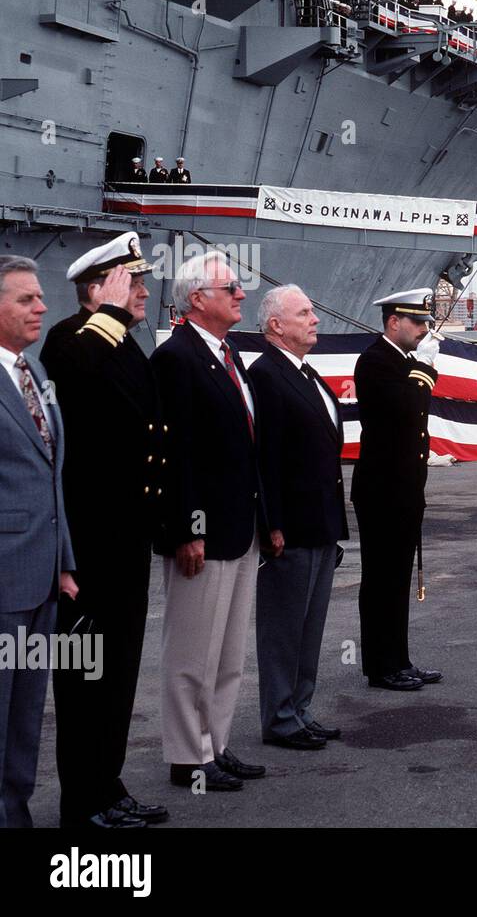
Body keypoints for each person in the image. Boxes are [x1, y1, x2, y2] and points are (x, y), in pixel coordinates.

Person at [39, 232, 168, 829]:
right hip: (89, 544)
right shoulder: (71, 340)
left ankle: (108, 786)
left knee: (118, 670)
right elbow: (73, 371)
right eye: (131, 281)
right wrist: (111, 313)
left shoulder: (124, 346)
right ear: (98, 288)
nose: (143, 291)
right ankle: (81, 805)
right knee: (86, 676)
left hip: (127, 540)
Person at [152, 250, 267, 791]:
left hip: (238, 527)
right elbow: (175, 454)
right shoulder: (176, 359)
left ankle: (215, 744)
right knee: (191, 650)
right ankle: (187, 755)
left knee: (227, 652)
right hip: (203, 530)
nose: (241, 294)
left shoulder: (227, 354)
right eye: (231, 289)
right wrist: (185, 529)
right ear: (198, 299)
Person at [248, 285, 348, 745]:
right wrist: (271, 523)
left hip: (320, 525)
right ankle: (280, 718)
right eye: (304, 313)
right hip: (290, 528)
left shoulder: (307, 376)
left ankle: (299, 710)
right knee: (283, 628)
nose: (315, 319)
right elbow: (265, 458)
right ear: (276, 326)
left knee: (310, 628)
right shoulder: (267, 376)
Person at [0, 255, 78, 827]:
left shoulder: (36, 374)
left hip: (42, 576)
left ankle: (16, 816)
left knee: (27, 716)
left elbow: (53, 476)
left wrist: (65, 562)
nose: (43, 307)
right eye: (27, 299)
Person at [351, 289, 443, 690]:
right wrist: (425, 367)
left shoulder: (401, 361)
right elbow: (407, 407)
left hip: (404, 487)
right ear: (394, 322)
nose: (424, 329)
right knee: (380, 579)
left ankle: (399, 659)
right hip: (381, 489)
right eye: (417, 322)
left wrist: (419, 365)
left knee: (398, 576)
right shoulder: (375, 361)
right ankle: (380, 665)